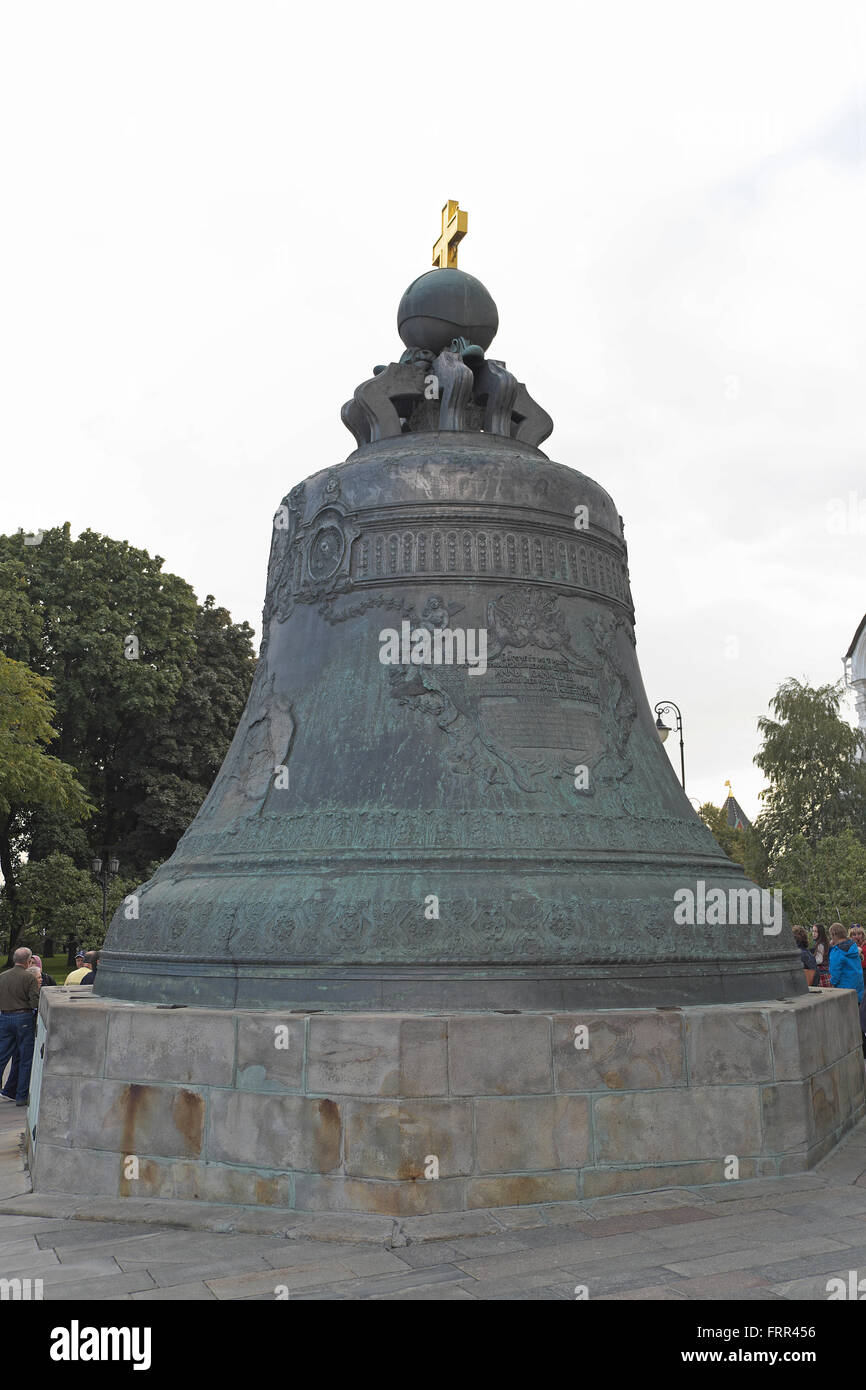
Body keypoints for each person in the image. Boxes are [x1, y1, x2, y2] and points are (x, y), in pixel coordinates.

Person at [0, 947, 41, 1106]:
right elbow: (34, 1001)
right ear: (28, 961)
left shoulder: (2, 976)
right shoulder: (28, 977)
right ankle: (21, 1096)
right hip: (23, 1017)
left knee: (2, 1056)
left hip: (4, 1016)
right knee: (25, 1058)